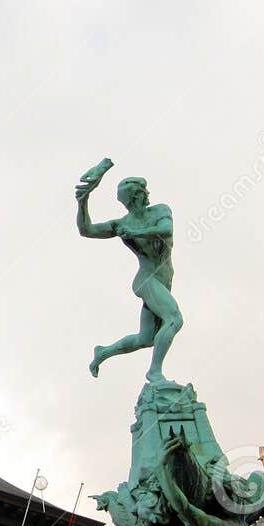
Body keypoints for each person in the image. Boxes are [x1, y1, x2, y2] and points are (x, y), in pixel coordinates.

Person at [75, 160, 182, 380]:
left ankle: (103, 352)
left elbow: (166, 228)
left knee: (146, 338)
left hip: (163, 280)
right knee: (174, 319)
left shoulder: (160, 211)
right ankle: (155, 372)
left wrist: (134, 231)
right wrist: (83, 201)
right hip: (147, 280)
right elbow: (87, 230)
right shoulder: (120, 223)